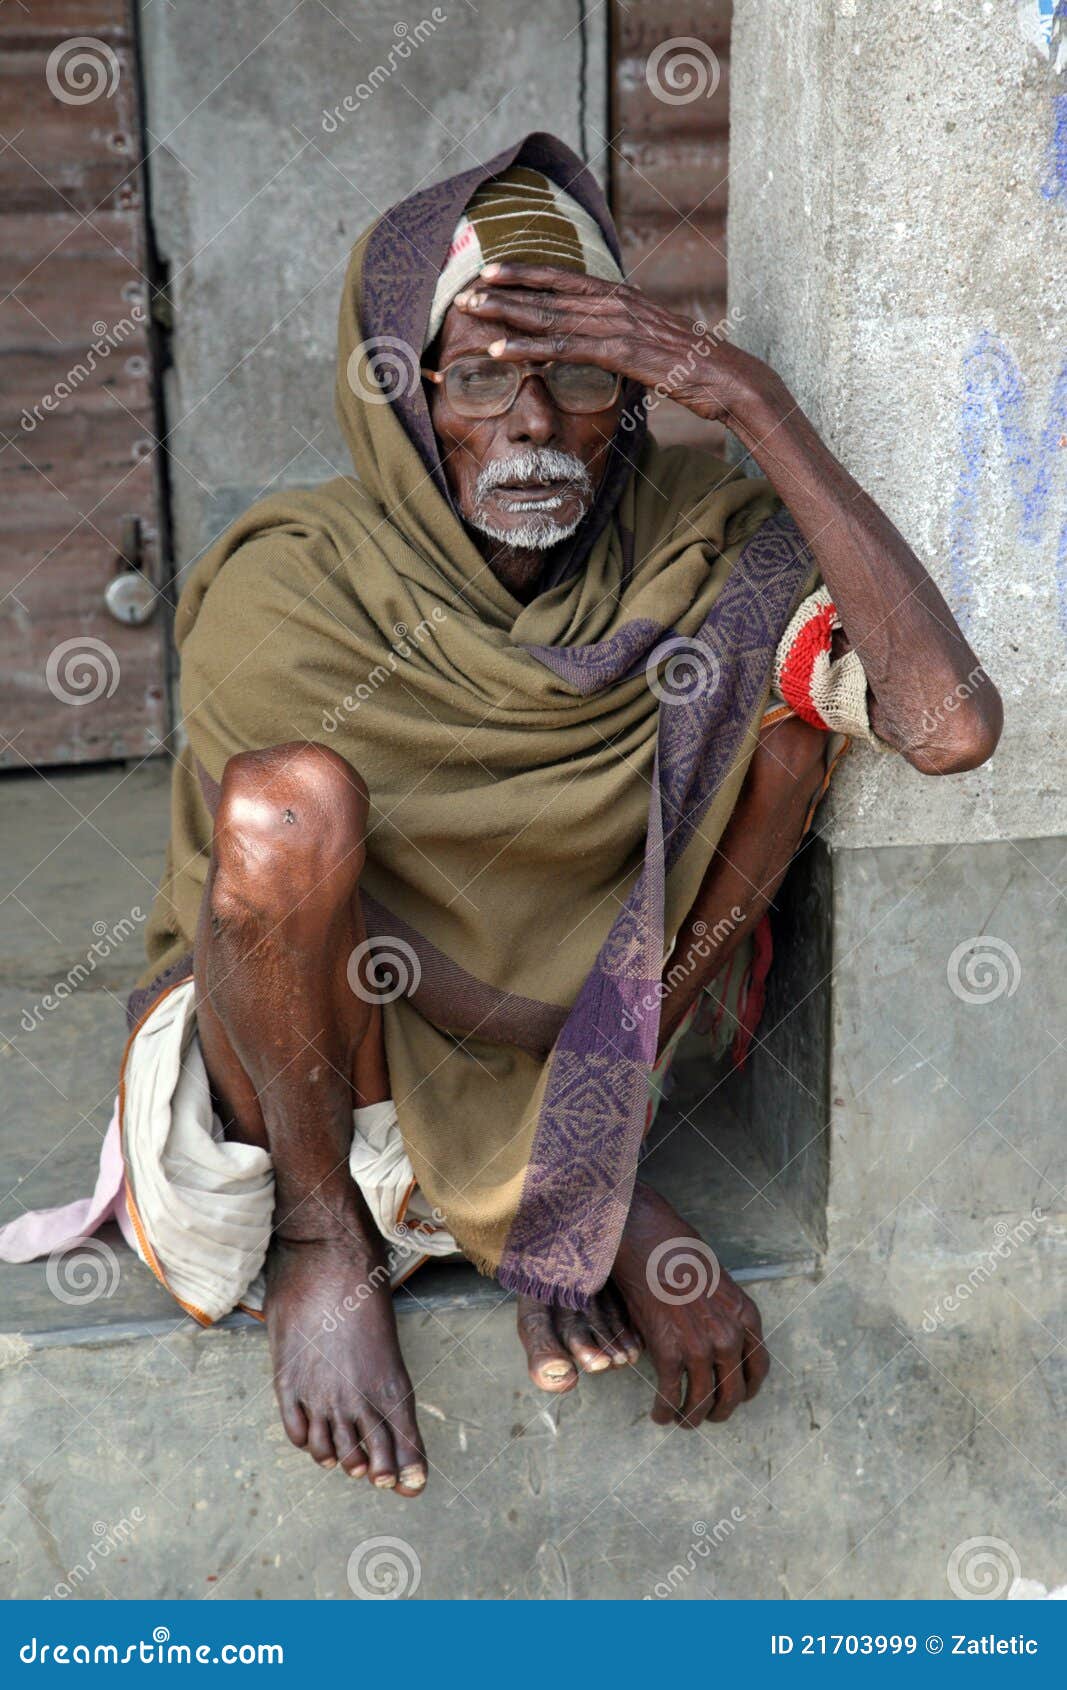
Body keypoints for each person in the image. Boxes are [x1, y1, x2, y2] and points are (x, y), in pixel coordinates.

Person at [0, 135, 1001, 1500]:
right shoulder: (290, 584)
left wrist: (748, 396)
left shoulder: (695, 541)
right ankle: (329, 1248)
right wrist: (590, 1196)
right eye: (476, 377)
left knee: (789, 734)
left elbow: (950, 726)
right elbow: (346, 957)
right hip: (315, 1091)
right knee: (289, 817)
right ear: (401, 397)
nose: (533, 427)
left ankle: (510, 1198)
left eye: (583, 377)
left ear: (635, 399)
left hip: (588, 1059)